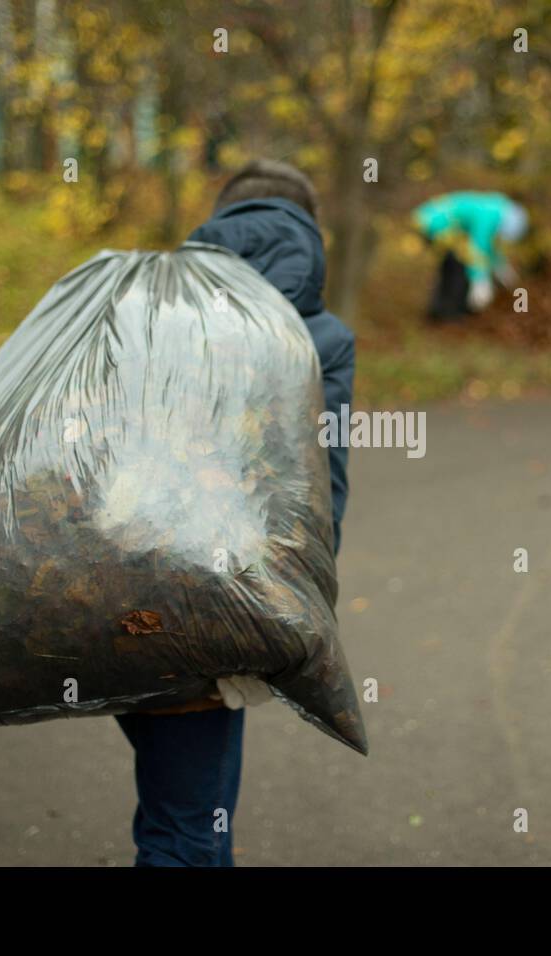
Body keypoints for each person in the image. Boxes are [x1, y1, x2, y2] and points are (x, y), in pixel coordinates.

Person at [113, 159, 355, 867]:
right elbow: (320, 490)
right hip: (223, 604)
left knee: (175, 807)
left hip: (110, 589)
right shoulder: (320, 336)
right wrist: (296, 612)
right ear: (308, 234)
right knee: (187, 828)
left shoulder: (146, 304)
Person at [411, 191, 529, 321]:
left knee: (457, 264)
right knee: (459, 264)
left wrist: (501, 267)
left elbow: (490, 248)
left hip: (432, 221)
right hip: (433, 223)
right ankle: (447, 314)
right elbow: (478, 249)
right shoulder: (488, 215)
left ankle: (444, 311)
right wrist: (480, 281)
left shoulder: (495, 208)